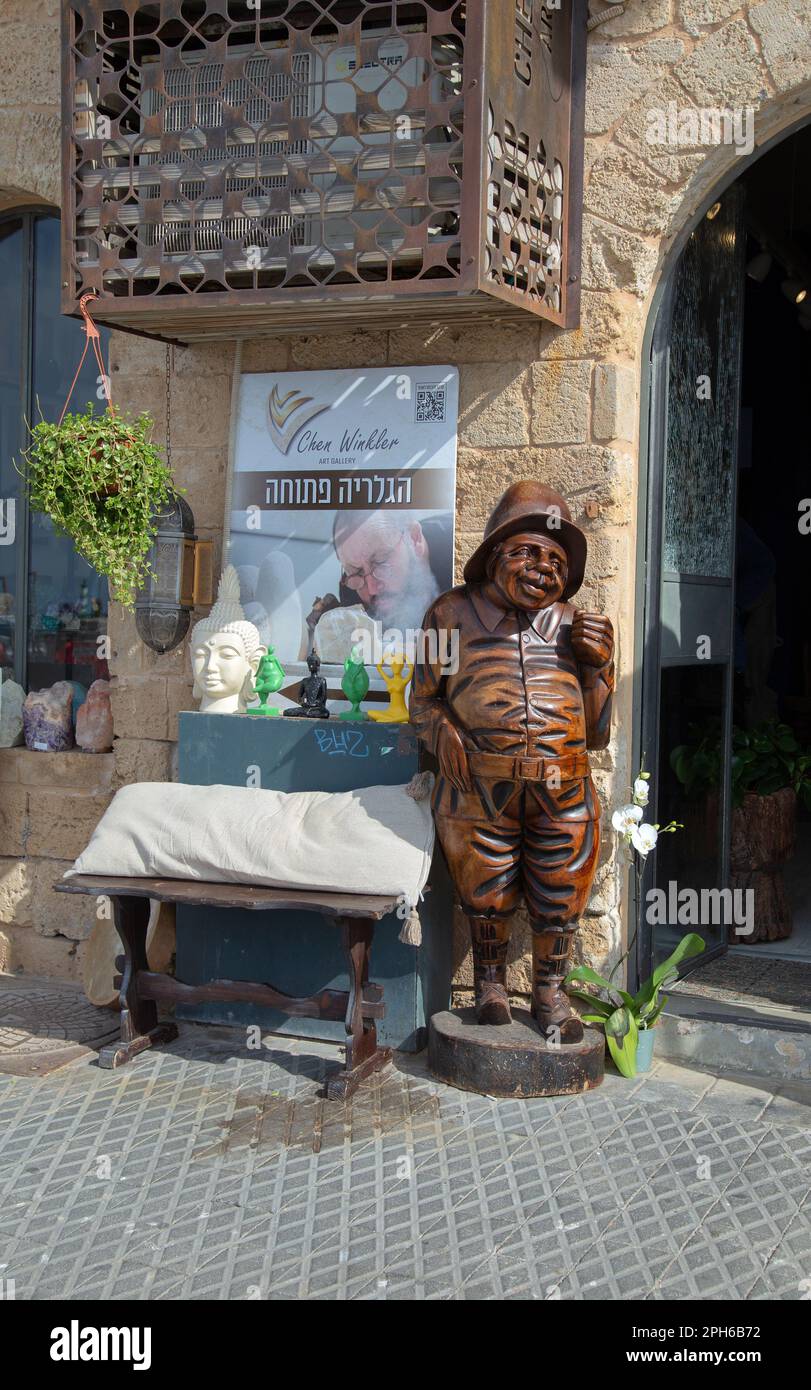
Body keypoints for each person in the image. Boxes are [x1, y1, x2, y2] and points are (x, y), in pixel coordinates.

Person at [410, 482, 615, 1039]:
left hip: (564, 789)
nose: (542, 567)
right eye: (527, 552)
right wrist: (443, 729)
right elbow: (420, 700)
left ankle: (550, 991)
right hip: (478, 789)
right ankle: (491, 986)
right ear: (493, 556)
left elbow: (597, 734)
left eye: (555, 559)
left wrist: (598, 670)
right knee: (486, 892)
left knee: (560, 891)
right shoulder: (449, 614)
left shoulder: (577, 626)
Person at [306, 510, 452, 646]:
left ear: (414, 539)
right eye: (356, 571)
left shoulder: (456, 548)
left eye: (381, 561)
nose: (372, 588)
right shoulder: (353, 586)